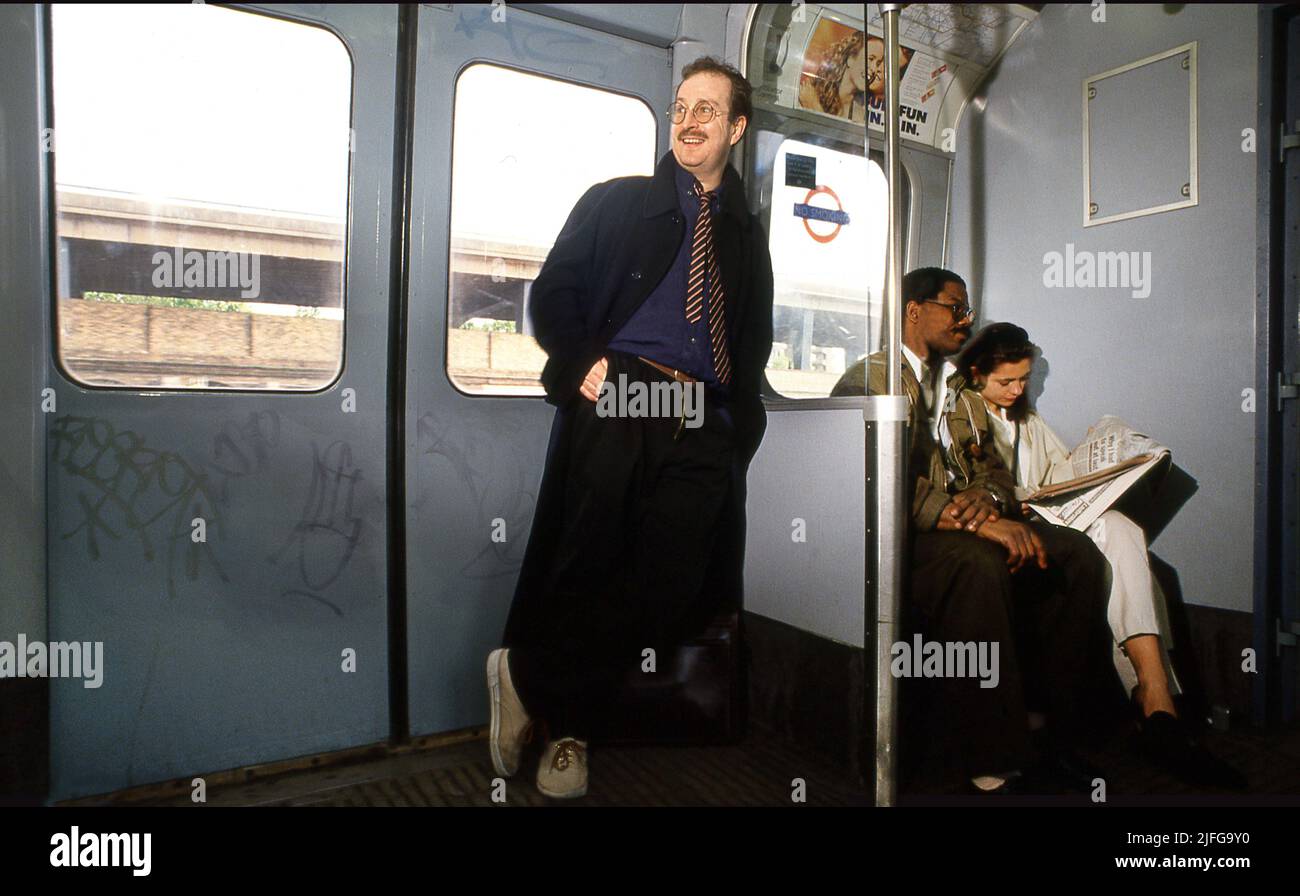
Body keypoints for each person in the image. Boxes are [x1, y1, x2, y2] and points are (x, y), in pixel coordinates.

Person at [487, 57, 774, 799]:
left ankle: (524, 672)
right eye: (682, 106)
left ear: (736, 128)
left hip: (700, 411)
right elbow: (553, 293)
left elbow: (751, 341)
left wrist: (736, 426)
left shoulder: (747, 232)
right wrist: (584, 361)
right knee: (589, 565)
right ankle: (568, 736)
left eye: (709, 109)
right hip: (627, 392)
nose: (690, 120)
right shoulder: (616, 203)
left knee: (670, 583)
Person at [831, 268, 1119, 794]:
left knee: (1076, 554)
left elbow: (993, 473)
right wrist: (977, 522)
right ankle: (992, 758)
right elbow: (876, 478)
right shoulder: (871, 379)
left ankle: (1046, 728)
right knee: (978, 563)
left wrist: (988, 502)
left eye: (968, 310)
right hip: (901, 541)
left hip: (962, 526)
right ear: (914, 311)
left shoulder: (963, 392)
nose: (966, 320)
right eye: (954, 307)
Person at [951, 322, 1246, 788]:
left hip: (1048, 518)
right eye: (1005, 381)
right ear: (976, 373)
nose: (1017, 390)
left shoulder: (1028, 422)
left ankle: (1156, 703)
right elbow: (964, 489)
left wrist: (1097, 463)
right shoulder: (960, 418)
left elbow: (1061, 476)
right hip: (1003, 527)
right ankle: (1157, 707)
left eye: (1024, 379)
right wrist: (1017, 501)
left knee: (1121, 527)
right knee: (1111, 549)